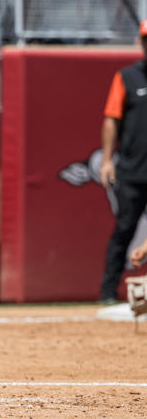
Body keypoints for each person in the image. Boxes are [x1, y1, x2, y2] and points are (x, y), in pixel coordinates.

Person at [99, 19, 147, 302]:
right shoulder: (127, 77)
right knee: (124, 229)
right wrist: (107, 160)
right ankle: (107, 292)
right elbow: (111, 119)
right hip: (132, 170)